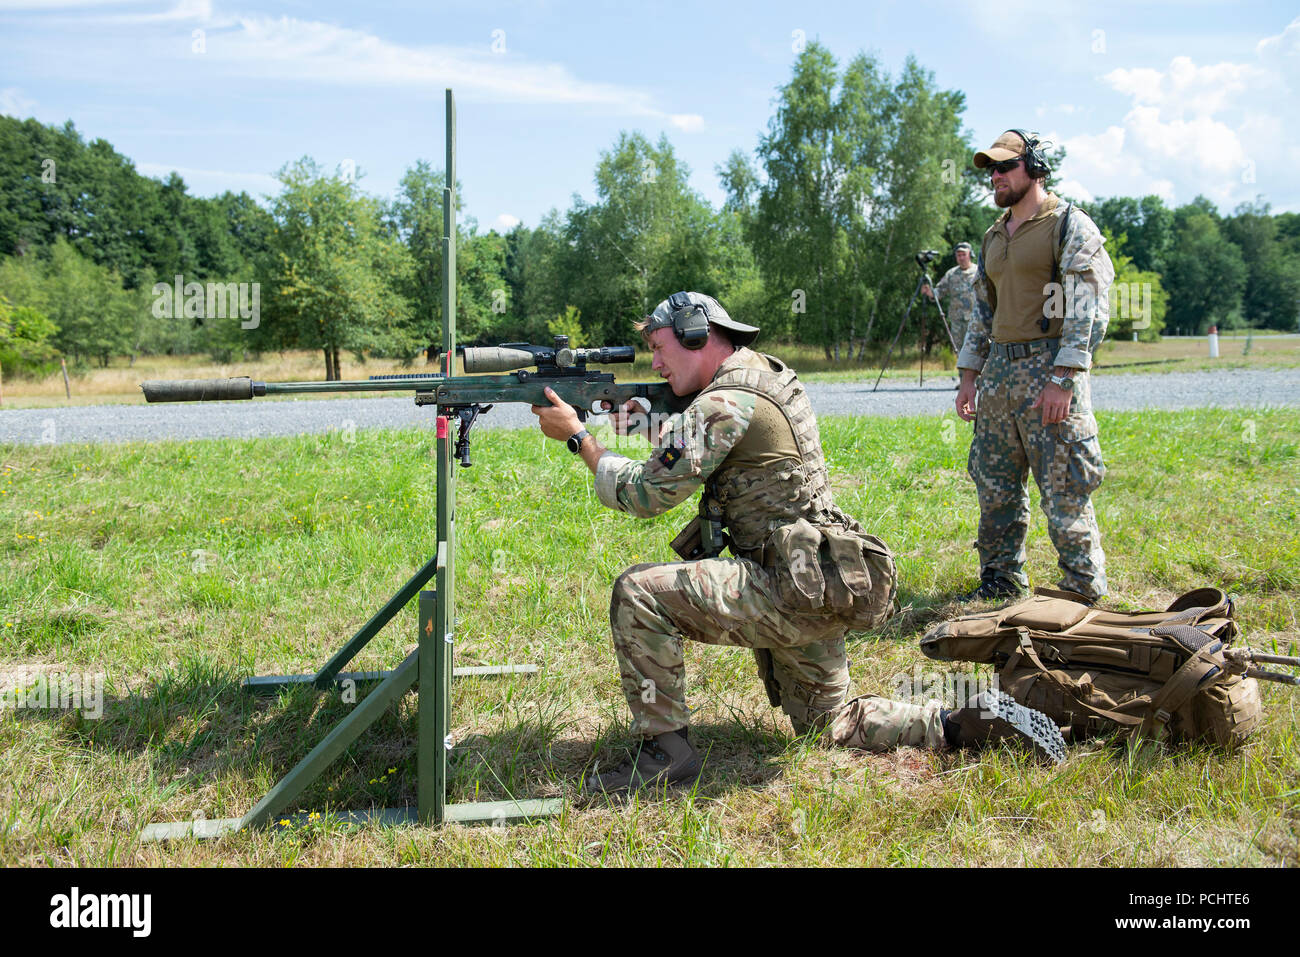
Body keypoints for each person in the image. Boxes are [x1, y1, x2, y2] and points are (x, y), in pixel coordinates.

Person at [531, 291, 1064, 792]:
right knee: (826, 725)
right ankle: (963, 721)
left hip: (783, 584)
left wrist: (581, 439)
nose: (654, 364)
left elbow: (647, 494)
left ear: (696, 335)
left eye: (657, 348)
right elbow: (730, 455)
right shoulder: (762, 376)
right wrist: (652, 428)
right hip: (819, 582)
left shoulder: (724, 400)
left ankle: (667, 753)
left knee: (638, 593)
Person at [954, 130, 1114, 603]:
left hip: (1049, 371)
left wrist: (1063, 379)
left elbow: (1087, 310)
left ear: (1035, 168)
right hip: (1000, 377)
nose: (996, 177)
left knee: (1064, 489)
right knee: (995, 487)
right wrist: (969, 375)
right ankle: (1001, 582)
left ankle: (1083, 593)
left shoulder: (1069, 225)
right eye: (991, 170)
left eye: (1005, 167)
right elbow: (984, 310)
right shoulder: (993, 236)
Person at [922, 242, 979, 354]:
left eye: (964, 254)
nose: (961, 257)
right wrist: (930, 292)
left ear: (970, 255)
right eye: (958, 255)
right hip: (957, 322)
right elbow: (939, 291)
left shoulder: (979, 272)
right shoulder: (951, 274)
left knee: (976, 353)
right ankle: (961, 372)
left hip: (975, 321)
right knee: (959, 353)